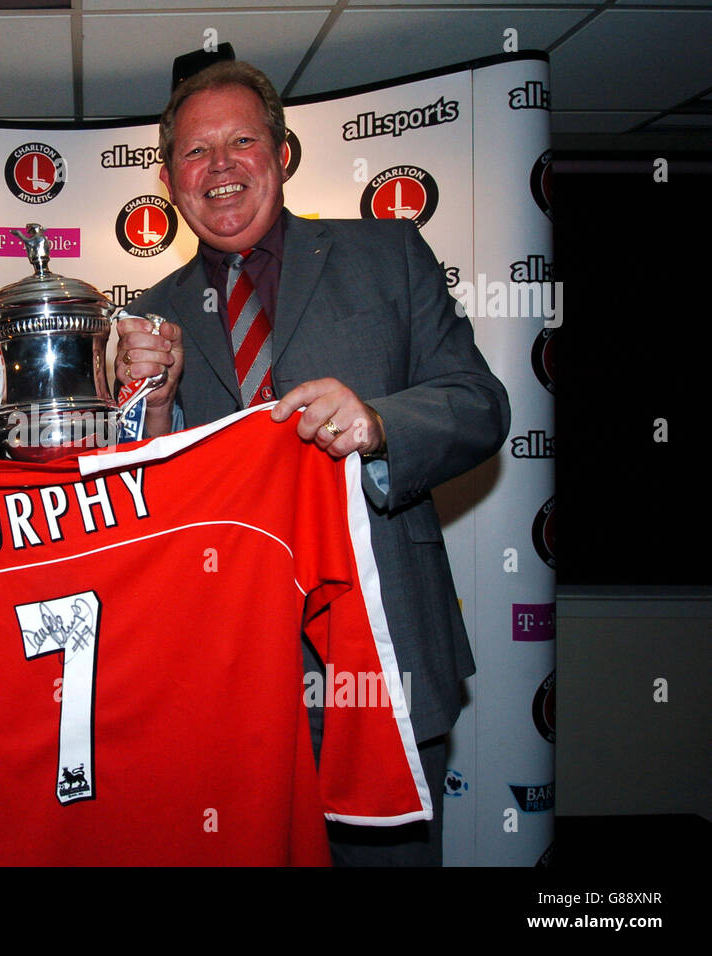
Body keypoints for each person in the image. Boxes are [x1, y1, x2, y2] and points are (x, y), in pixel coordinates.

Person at [112, 60, 510, 865]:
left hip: (382, 652)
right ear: (167, 178)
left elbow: (480, 404)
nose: (219, 167)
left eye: (242, 143)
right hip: (225, 674)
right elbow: (138, 505)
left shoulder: (388, 252)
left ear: (283, 154)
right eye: (195, 152)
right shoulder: (150, 315)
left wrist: (378, 422)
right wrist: (150, 408)